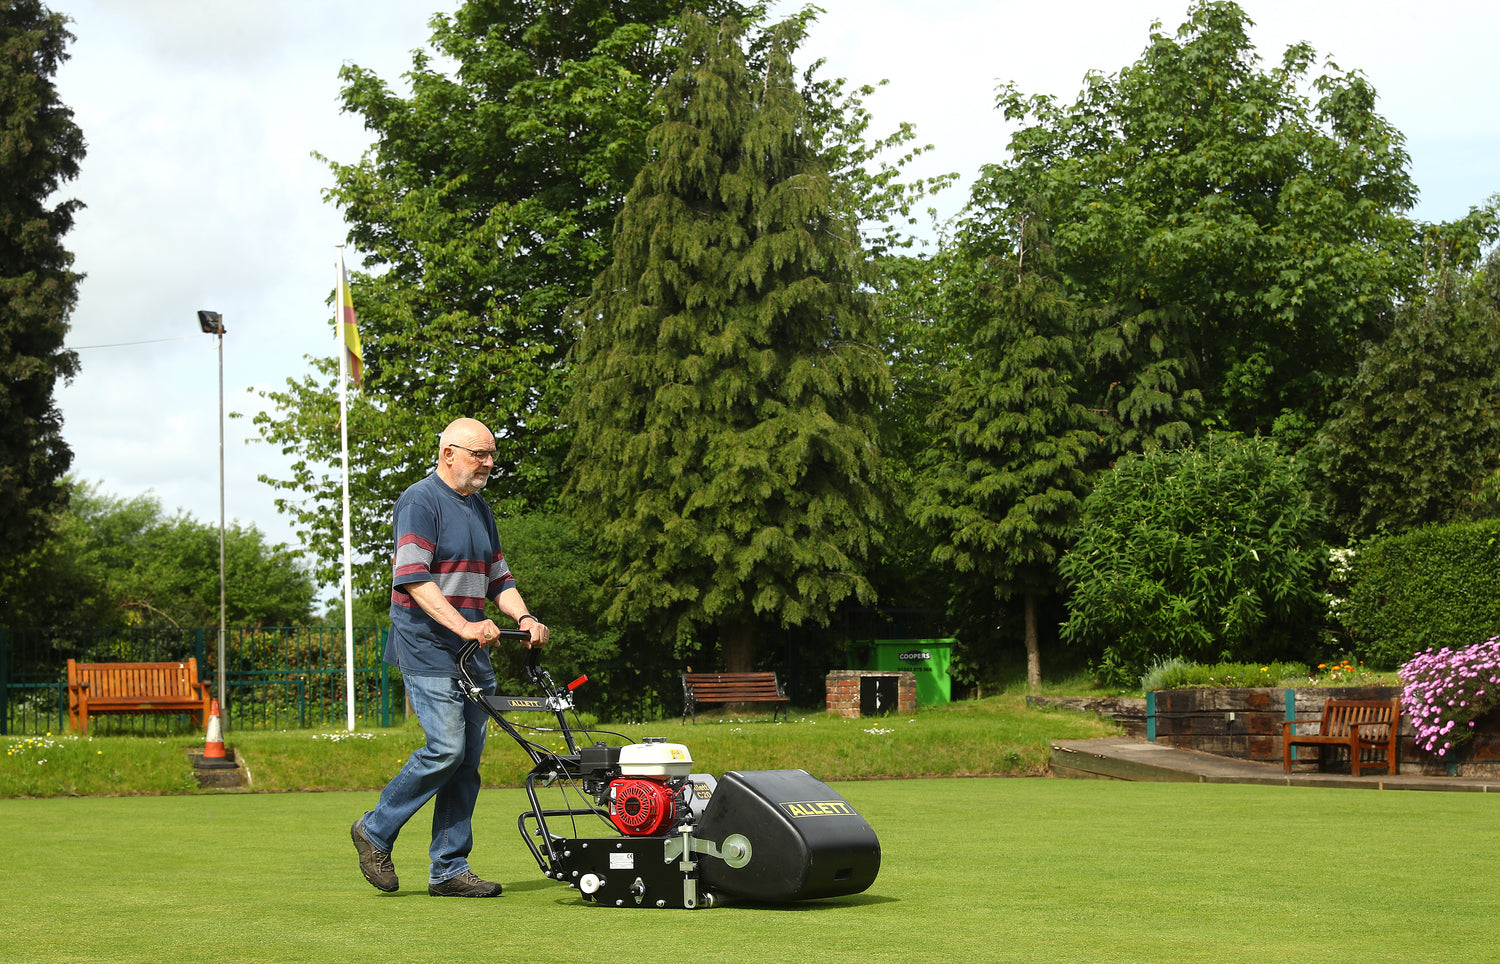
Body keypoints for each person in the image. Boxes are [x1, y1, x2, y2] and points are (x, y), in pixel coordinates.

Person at [351, 417, 549, 897]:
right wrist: (464, 626)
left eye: (491, 454)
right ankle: (375, 829)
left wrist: (524, 618)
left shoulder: (480, 508)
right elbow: (413, 578)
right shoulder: (420, 501)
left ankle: (449, 869)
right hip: (427, 645)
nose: (488, 463)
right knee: (446, 749)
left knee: (466, 764)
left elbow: (499, 577)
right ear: (448, 454)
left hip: (471, 651)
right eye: (479, 454)